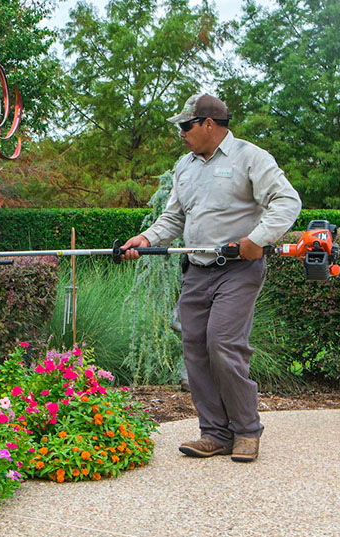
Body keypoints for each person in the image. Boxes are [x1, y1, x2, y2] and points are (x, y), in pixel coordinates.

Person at [120, 93, 301, 463]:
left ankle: (247, 431)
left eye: (186, 126)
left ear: (208, 124)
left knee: (223, 344)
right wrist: (146, 238)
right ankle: (215, 433)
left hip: (238, 269)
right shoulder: (184, 166)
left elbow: (287, 201)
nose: (181, 134)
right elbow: (174, 218)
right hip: (196, 270)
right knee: (196, 350)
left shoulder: (250, 157)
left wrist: (257, 240)